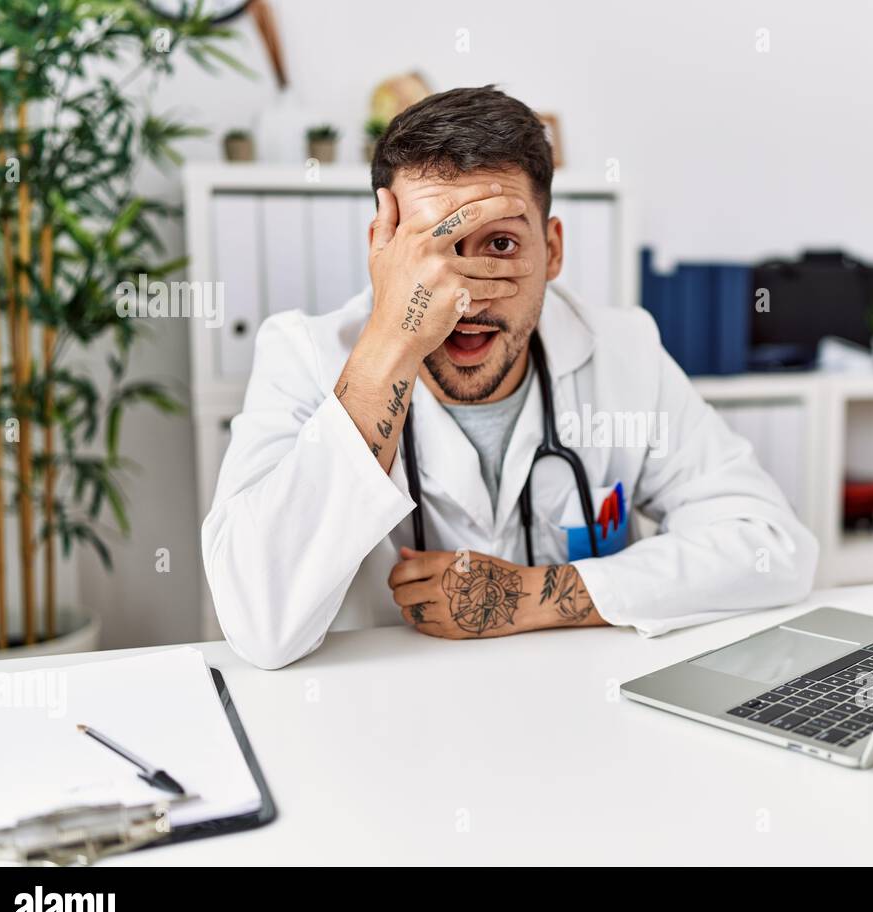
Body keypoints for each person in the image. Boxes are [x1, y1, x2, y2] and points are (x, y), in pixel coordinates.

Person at [202, 86, 818, 669]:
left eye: (499, 244)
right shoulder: (304, 354)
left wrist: (533, 595)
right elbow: (259, 622)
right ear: (383, 251)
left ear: (552, 249)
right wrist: (392, 340)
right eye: (433, 250)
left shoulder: (624, 350)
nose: (464, 296)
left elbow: (771, 547)